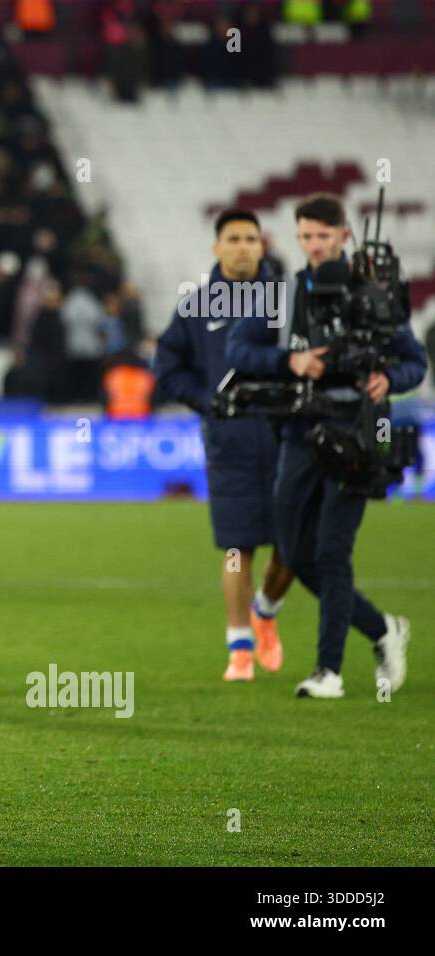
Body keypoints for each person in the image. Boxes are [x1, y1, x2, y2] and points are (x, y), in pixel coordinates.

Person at [226, 193, 426, 698]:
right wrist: (289, 363)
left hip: (360, 432)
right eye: (306, 237)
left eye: (322, 236)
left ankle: (328, 672)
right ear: (297, 239)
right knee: (293, 553)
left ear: (343, 236)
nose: (314, 246)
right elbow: (238, 349)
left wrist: (388, 378)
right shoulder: (282, 294)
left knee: (333, 551)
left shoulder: (373, 293)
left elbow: (414, 361)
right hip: (301, 431)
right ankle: (383, 630)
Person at [154, 209, 294, 681]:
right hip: (228, 442)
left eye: (250, 238)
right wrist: (206, 402)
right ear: (217, 248)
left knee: (291, 547)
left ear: (262, 244)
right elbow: (167, 368)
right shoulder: (197, 305)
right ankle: (239, 647)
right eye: (232, 238)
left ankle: (266, 612)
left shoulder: (289, 300)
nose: (242, 247)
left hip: (286, 438)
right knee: (236, 549)